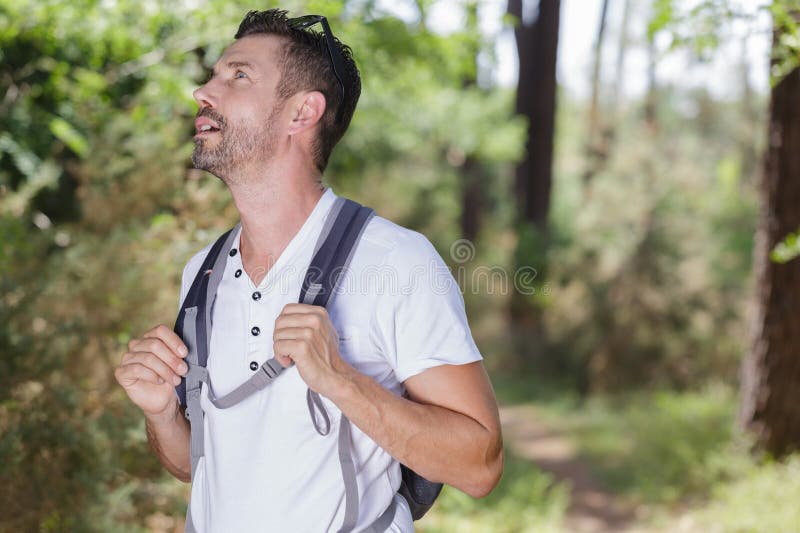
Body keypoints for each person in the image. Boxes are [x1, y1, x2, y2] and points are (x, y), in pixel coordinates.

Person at [114, 9, 503, 532]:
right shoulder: (201, 275)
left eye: (238, 76)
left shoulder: (396, 262)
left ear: (302, 112)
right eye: (213, 76)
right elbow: (195, 467)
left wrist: (341, 380)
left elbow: (480, 466)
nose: (202, 92)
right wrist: (161, 412)